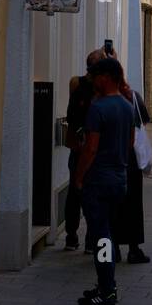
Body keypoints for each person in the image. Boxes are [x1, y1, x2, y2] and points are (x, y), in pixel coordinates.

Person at [74, 58, 134, 305]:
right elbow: (130, 143)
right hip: (119, 178)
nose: (93, 80)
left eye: (96, 76)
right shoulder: (127, 105)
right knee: (106, 233)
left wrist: (78, 177)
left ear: (106, 78)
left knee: (101, 238)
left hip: (98, 180)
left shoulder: (98, 108)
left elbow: (90, 148)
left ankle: (108, 290)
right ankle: (104, 283)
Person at [64, 49, 104, 251]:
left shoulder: (75, 83)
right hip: (93, 148)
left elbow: (71, 115)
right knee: (94, 195)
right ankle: (91, 240)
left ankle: (71, 236)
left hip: (78, 145)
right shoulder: (101, 90)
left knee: (74, 191)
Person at [113, 63, 152, 264]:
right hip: (131, 160)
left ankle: (112, 250)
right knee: (133, 204)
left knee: (112, 208)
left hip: (111, 160)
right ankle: (134, 248)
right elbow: (144, 121)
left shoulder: (102, 101)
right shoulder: (133, 96)